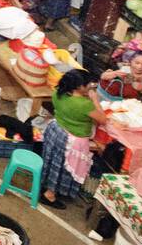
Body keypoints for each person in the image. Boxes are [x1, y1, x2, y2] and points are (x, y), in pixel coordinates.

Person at [39, 69, 108, 209]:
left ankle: (45, 185)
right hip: (70, 139)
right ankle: (49, 195)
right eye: (88, 84)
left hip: (55, 130)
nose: (90, 86)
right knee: (61, 169)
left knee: (52, 163)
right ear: (79, 87)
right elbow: (103, 119)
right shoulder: (84, 104)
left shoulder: (58, 93)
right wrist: (94, 99)